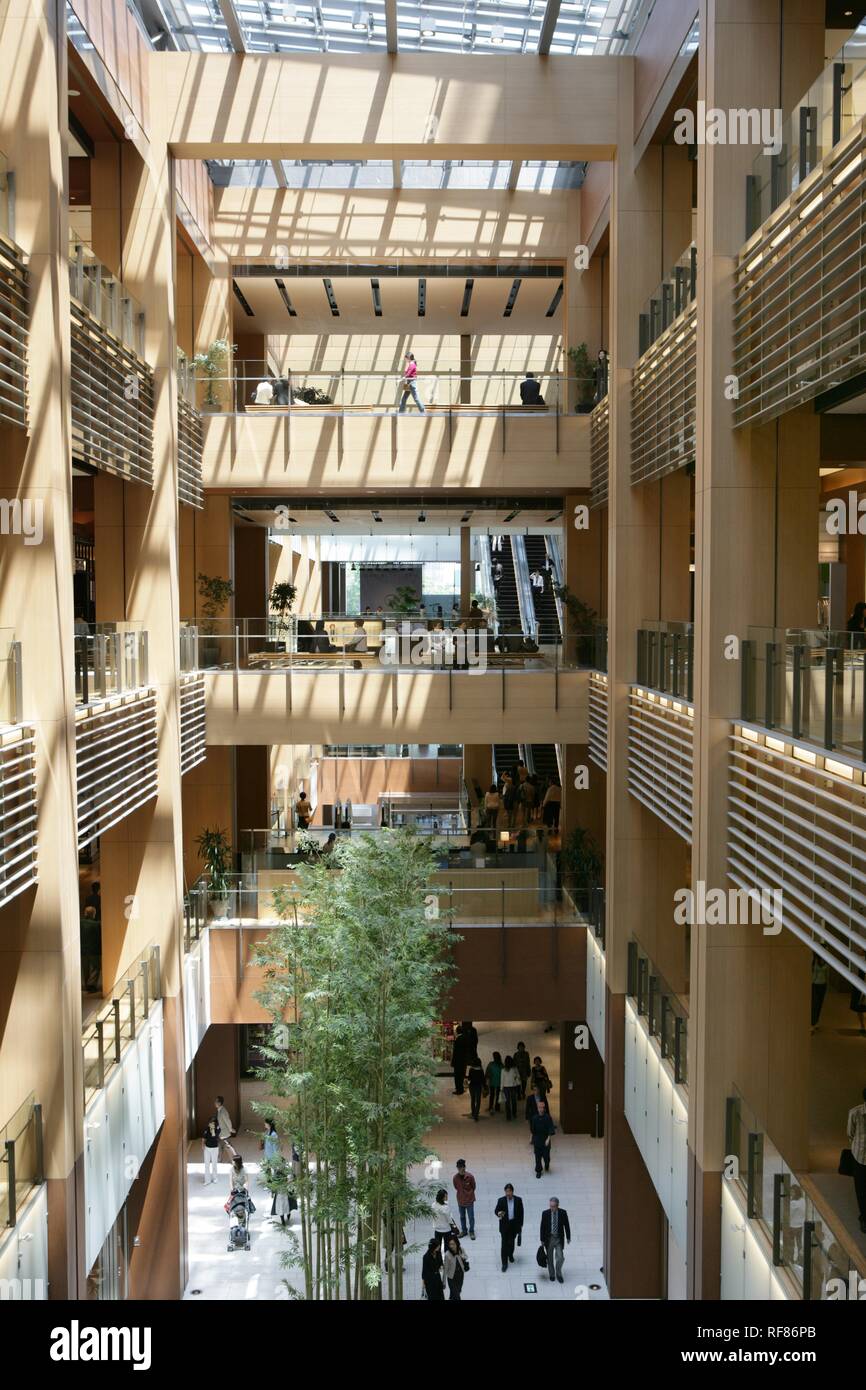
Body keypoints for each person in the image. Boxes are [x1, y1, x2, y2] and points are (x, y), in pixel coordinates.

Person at [847, 1086, 866, 1233]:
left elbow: (850, 1134)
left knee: (861, 1189)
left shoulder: (854, 1112)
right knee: (860, 1189)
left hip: (858, 1154)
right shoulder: (855, 1112)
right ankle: (864, 1218)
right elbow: (850, 1133)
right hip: (859, 1156)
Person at [494, 1183, 524, 1271]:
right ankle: (504, 1263)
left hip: (514, 1226)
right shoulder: (501, 1200)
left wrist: (520, 1226)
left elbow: (521, 1214)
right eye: (506, 1191)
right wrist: (498, 1213)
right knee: (504, 1245)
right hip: (504, 1226)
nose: (508, 1193)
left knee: (511, 1243)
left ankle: (510, 1254)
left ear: (512, 1191)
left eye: (509, 1191)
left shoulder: (518, 1200)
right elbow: (496, 1211)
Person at [540, 1196, 571, 1282]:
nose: (552, 1208)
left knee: (560, 1257)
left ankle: (558, 1272)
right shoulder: (545, 1213)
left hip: (558, 1239)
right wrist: (542, 1239)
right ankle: (552, 1274)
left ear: (557, 1205)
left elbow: (567, 1225)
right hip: (549, 1239)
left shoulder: (563, 1213)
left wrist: (568, 1237)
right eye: (550, 1206)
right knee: (550, 1258)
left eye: (553, 1206)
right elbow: (542, 1227)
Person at [530, 1099, 555, 1177]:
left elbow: (551, 1129)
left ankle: (547, 1164)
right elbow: (532, 1129)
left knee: (546, 1156)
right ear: (537, 1108)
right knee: (537, 1157)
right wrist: (531, 1138)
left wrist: (548, 1139)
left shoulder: (548, 1118)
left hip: (545, 1140)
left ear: (544, 1108)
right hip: (537, 1140)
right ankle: (538, 1171)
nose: (541, 1109)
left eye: (542, 1107)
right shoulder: (534, 1118)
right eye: (539, 1107)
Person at [452, 1159, 477, 1240]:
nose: (461, 1169)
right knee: (462, 1216)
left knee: (471, 1217)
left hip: (469, 1200)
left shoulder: (470, 1177)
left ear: (465, 1167)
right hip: (460, 1200)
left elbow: (474, 1187)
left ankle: (471, 1231)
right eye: (459, 1168)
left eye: (462, 1167)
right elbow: (456, 1187)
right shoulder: (455, 1178)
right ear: (457, 1168)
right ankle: (464, 1231)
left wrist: (469, 1194)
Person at [443, 1235, 468, 1300]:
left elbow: (466, 1256)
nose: (451, 1246)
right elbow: (445, 1269)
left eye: (453, 1244)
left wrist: (462, 1256)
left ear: (457, 1243)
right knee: (456, 1294)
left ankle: (451, 1298)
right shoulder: (447, 1254)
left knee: (458, 1291)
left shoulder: (461, 1249)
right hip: (451, 1277)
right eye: (450, 1244)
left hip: (460, 1275)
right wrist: (444, 1282)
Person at [811, 953, 829, 1030]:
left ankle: (816, 1022)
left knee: (820, 1005)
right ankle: (812, 1023)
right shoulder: (814, 960)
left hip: (823, 985)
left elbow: (827, 975)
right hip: (815, 985)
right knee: (815, 1004)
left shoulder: (826, 961)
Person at [501, 1055, 520, 1120]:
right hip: (513, 1087)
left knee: (507, 1102)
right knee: (514, 1101)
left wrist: (501, 1089)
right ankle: (514, 1114)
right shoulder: (515, 1069)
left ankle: (508, 1116)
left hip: (506, 1087)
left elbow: (502, 1080)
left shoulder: (503, 1070)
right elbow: (518, 1077)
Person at [467, 1054, 485, 1122]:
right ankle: (476, 1115)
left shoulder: (471, 1069)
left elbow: (469, 1078)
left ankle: (473, 1112)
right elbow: (483, 1079)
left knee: (473, 1099)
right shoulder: (481, 1070)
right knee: (478, 1100)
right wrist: (485, 1086)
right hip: (478, 1086)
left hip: (472, 1086)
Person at [202, 1118, 220, 1184]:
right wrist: (202, 1145)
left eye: (212, 1123)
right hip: (207, 1148)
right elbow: (204, 1137)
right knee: (206, 1164)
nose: (211, 1124)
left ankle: (215, 1178)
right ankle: (207, 1180)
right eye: (210, 1123)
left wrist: (212, 1130)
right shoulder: (206, 1129)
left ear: (215, 1124)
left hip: (214, 1149)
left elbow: (214, 1136)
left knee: (214, 1164)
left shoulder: (218, 1128)